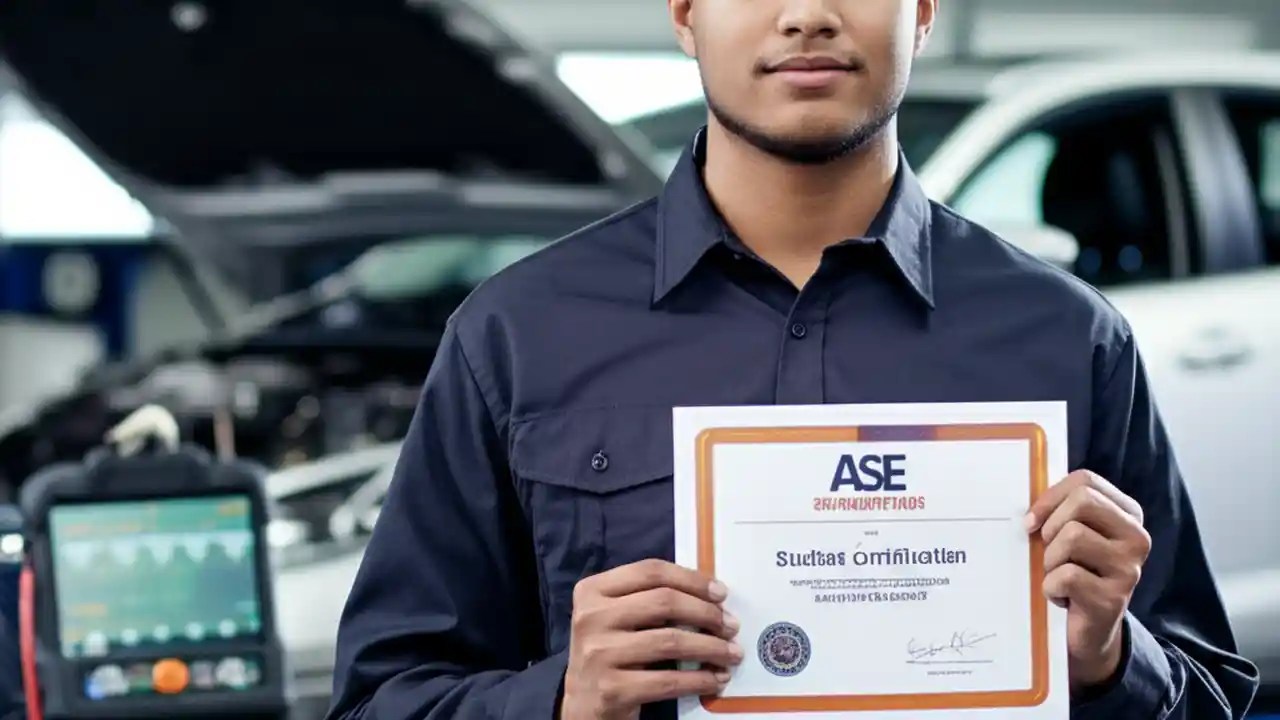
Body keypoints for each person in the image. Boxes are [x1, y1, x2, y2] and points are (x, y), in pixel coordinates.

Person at [325, 0, 1260, 718]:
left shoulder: (1069, 338)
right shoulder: (516, 334)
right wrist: (562, 697)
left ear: (924, 12)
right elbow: (382, 698)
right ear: (686, 13)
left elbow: (1212, 695)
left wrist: (1107, 659)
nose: (807, 13)